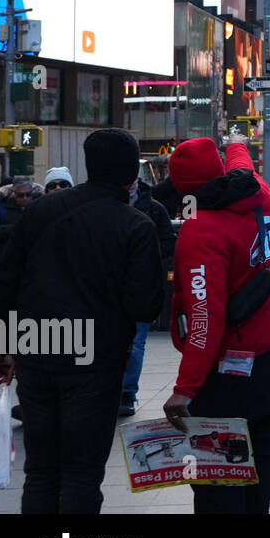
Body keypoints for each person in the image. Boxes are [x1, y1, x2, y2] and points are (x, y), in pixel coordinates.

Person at [0, 128, 163, 513]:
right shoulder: (135, 225)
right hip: (95, 361)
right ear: (132, 175)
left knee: (41, 469)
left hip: (36, 350)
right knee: (82, 472)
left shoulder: (39, 211)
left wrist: (2, 347)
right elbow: (144, 305)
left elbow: (4, 282)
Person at [163, 135, 270, 514]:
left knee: (220, 483)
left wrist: (184, 390)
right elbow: (240, 158)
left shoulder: (201, 231)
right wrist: (235, 141)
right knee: (258, 472)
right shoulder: (257, 192)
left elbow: (204, 316)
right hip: (267, 364)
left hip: (223, 380)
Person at [119, 177, 178, 416]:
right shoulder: (103, 205)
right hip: (110, 288)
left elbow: (168, 242)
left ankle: (127, 392)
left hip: (141, 285)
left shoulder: (154, 207)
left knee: (135, 343)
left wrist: (146, 253)